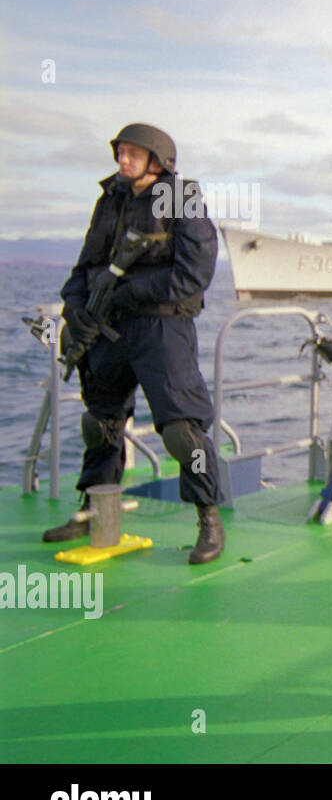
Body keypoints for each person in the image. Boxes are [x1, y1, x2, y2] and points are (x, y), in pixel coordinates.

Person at [44, 123, 226, 565]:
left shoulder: (181, 199)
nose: (123, 160)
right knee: (100, 420)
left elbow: (193, 275)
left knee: (183, 432)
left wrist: (129, 291)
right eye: (120, 152)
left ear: (157, 161)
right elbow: (85, 265)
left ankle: (209, 518)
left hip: (162, 331)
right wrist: (76, 310)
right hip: (109, 328)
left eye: (132, 154)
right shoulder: (111, 199)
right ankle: (93, 509)